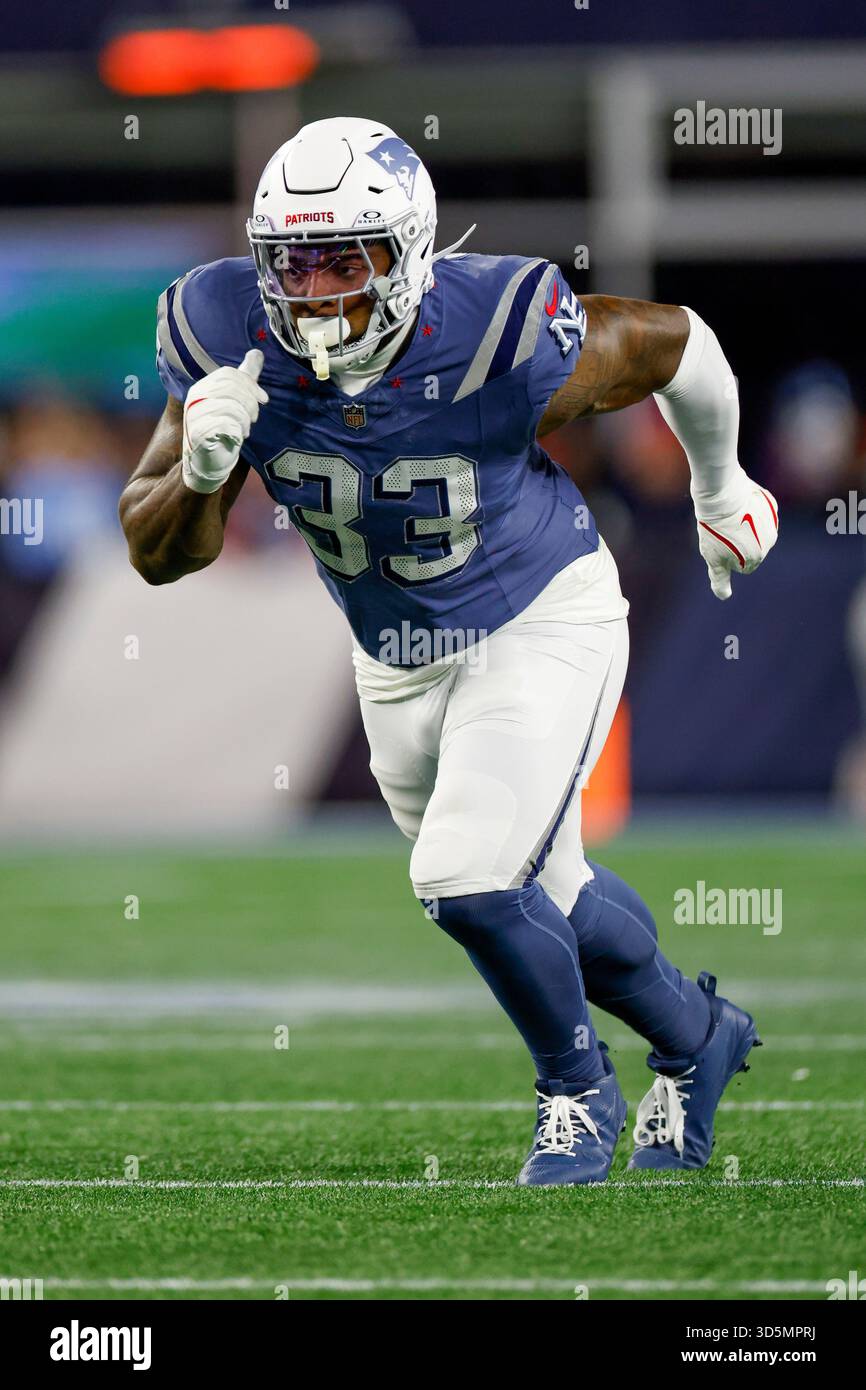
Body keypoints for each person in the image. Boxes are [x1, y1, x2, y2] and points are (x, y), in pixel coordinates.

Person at [119, 118, 778, 1185]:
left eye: (345, 257)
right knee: (542, 892)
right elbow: (156, 554)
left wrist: (720, 485)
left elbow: (675, 342)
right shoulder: (218, 331)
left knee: (468, 877)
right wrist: (201, 471)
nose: (314, 289)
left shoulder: (496, 330)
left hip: (538, 613)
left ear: (411, 250)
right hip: (393, 656)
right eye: (291, 261)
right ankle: (696, 1036)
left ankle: (575, 1092)